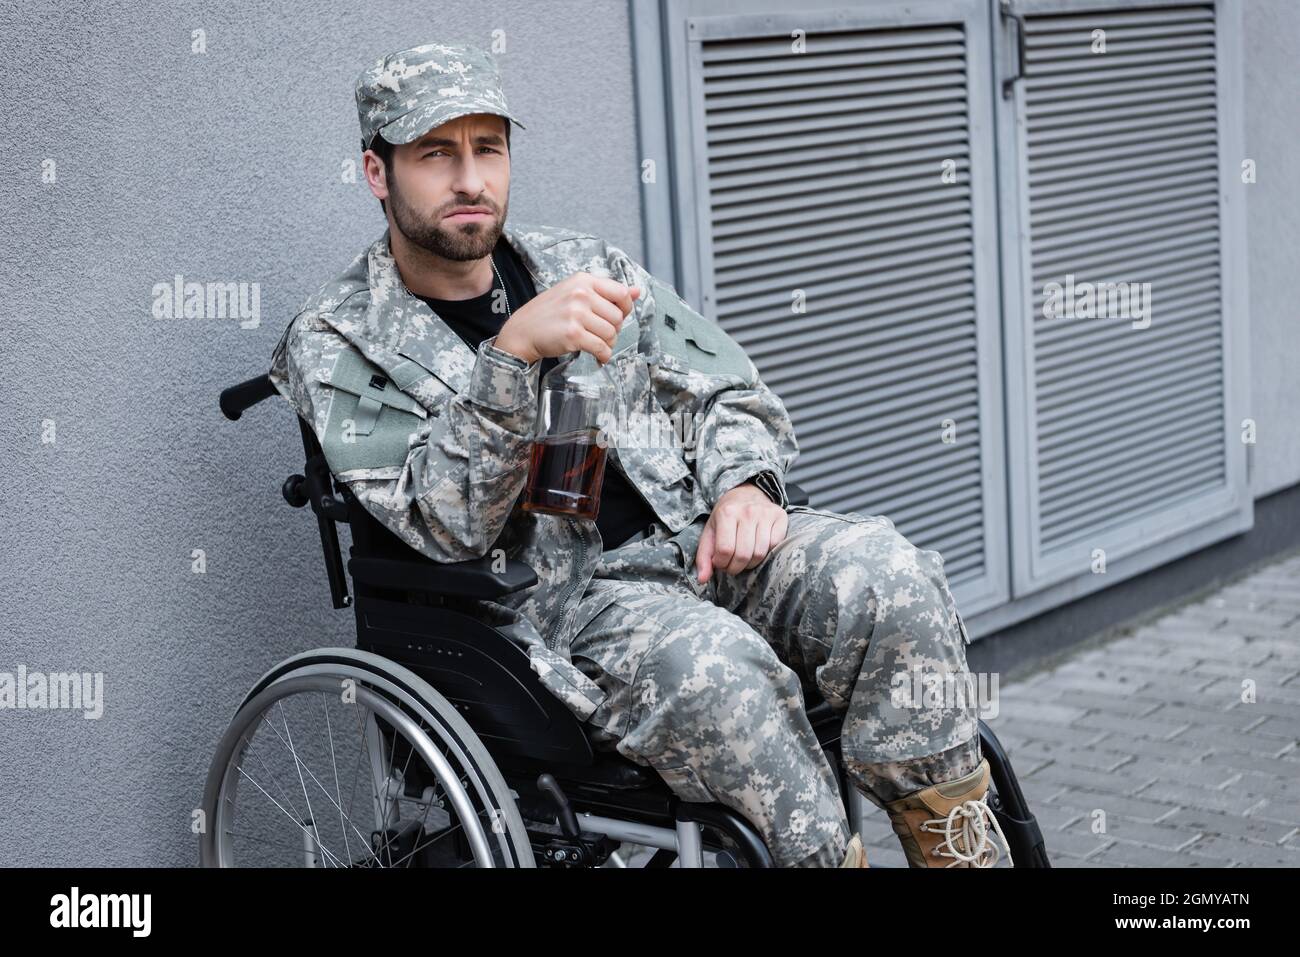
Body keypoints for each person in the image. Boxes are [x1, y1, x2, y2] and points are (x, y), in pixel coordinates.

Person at [269, 39, 1010, 869]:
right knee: (726, 670)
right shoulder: (336, 338)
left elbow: (728, 386)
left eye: (489, 148)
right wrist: (510, 358)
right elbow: (445, 525)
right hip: (557, 614)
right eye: (435, 154)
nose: (471, 179)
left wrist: (747, 485)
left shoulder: (586, 265)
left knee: (889, 572)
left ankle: (956, 848)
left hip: (699, 547)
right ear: (377, 172)